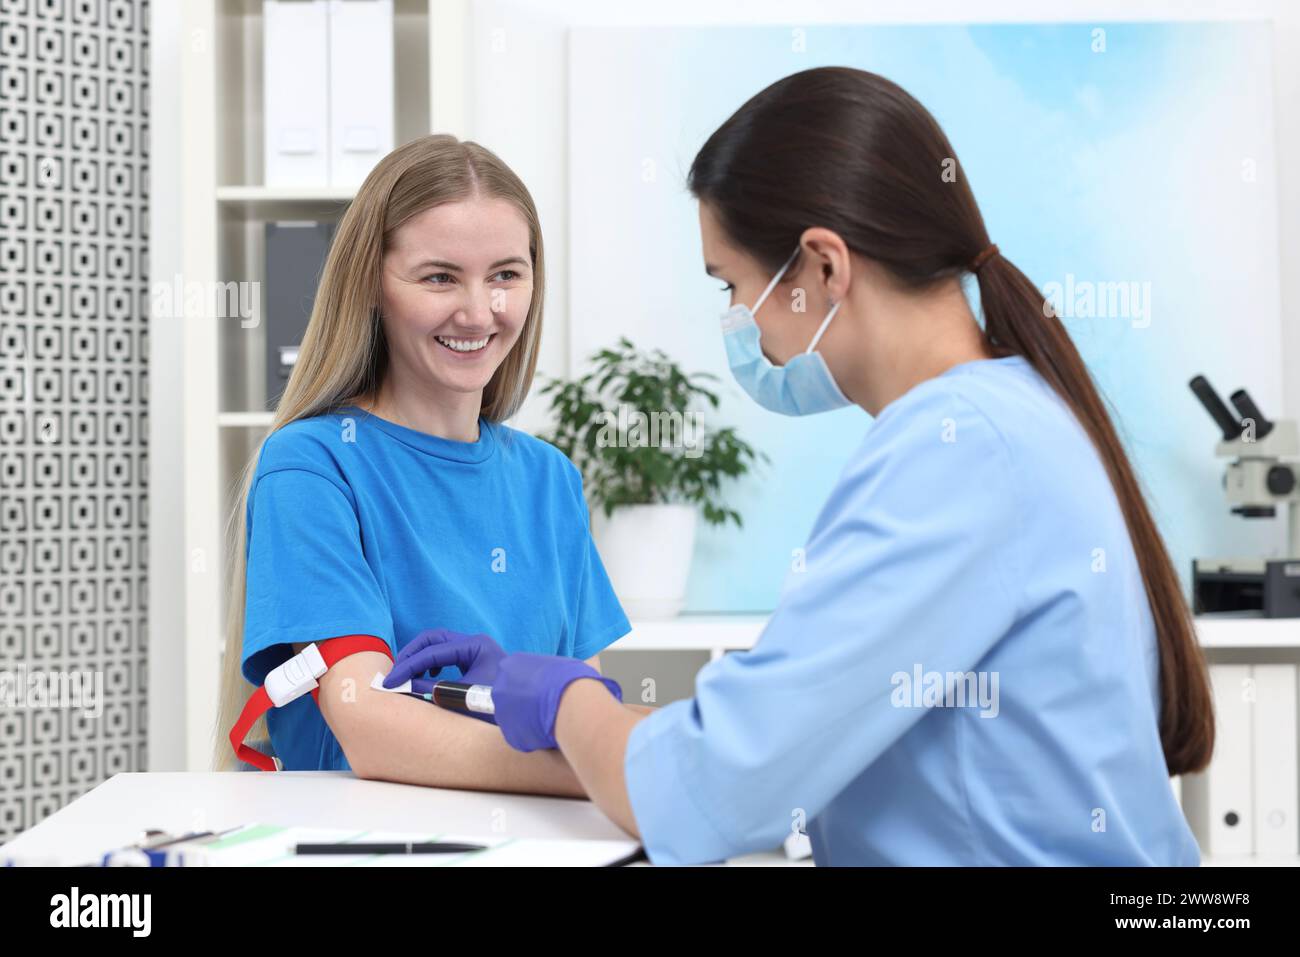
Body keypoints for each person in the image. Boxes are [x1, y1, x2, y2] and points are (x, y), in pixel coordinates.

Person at [383, 67, 1215, 865]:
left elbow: (710, 789)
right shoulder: (1007, 413)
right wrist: (558, 696)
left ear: (821, 267)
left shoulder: (955, 451)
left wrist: (563, 700)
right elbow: (777, 732)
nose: (740, 322)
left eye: (732, 285)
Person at [213, 134, 632, 793]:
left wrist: (594, 741)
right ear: (372, 285)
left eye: (505, 275)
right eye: (439, 276)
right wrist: (593, 764)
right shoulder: (312, 466)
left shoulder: (550, 480)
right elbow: (369, 724)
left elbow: (593, 702)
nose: (477, 311)